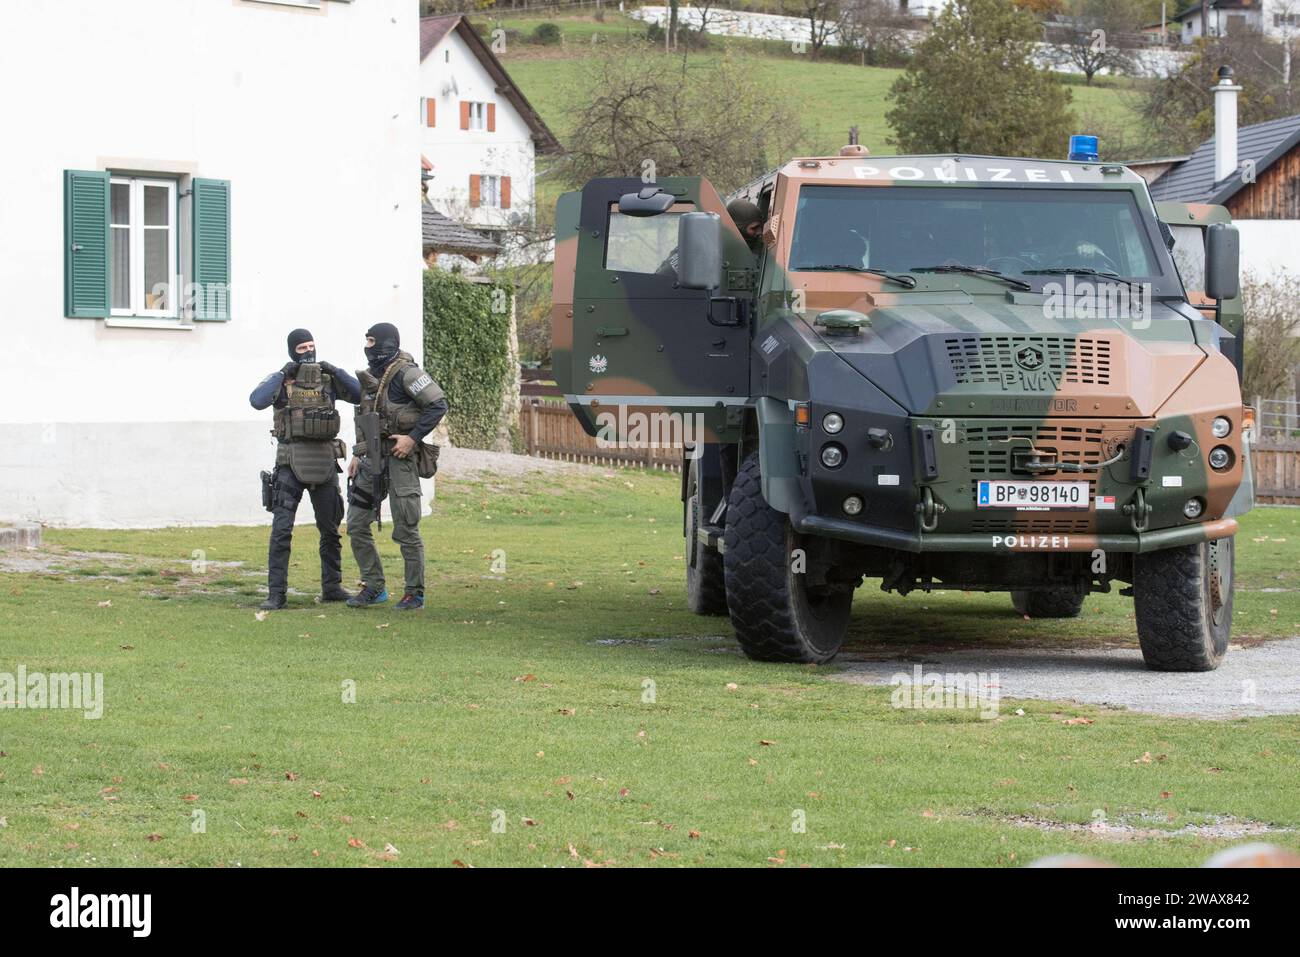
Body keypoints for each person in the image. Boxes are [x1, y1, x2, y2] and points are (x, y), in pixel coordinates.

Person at [249, 328, 360, 611]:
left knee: (330, 528)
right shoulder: (282, 381)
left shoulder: (328, 381)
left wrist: (335, 370)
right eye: (301, 348)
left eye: (312, 346)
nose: (308, 352)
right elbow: (257, 400)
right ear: (291, 352)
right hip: (290, 464)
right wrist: (283, 373)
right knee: (282, 529)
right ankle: (277, 593)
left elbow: (360, 394)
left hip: (324, 462)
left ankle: (332, 587)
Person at [345, 323, 448, 611]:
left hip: (400, 460)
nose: (368, 346)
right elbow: (366, 418)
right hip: (371, 460)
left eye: (372, 341)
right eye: (366, 340)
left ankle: (414, 593)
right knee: (355, 524)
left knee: (406, 528)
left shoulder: (407, 373)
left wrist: (412, 439)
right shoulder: (371, 377)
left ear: (387, 344)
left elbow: (438, 404)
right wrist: (357, 454)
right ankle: (374, 586)